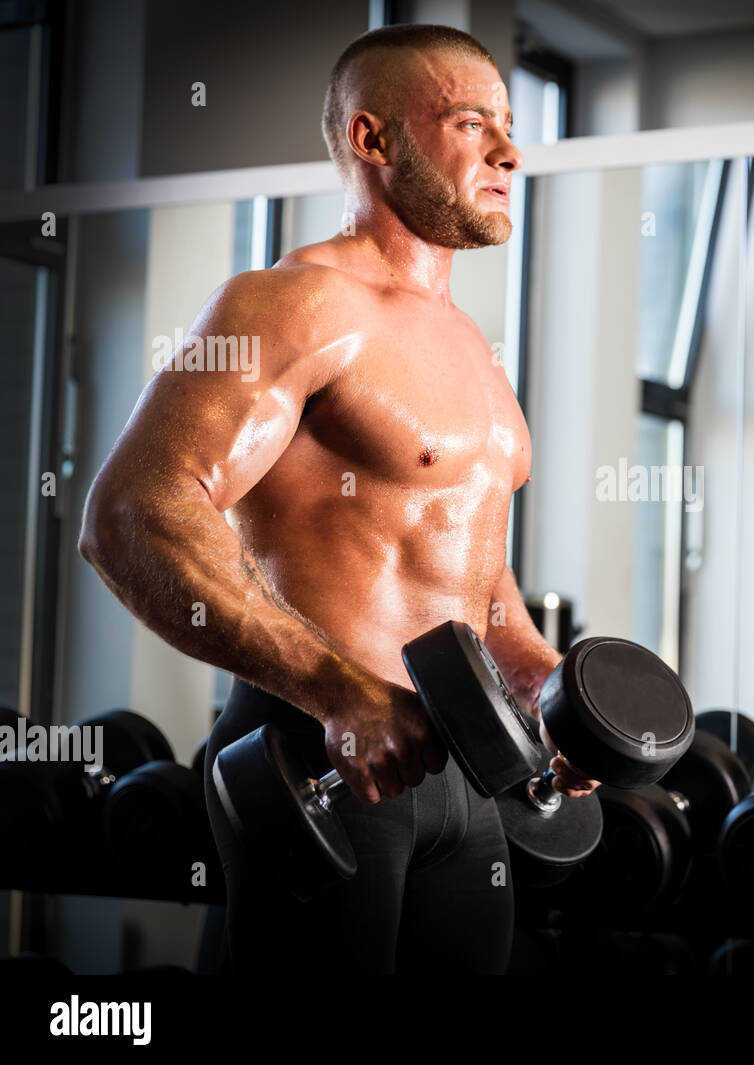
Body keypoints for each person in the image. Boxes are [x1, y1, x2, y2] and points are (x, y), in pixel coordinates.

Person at [78, 24, 584, 974]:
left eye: (510, 126)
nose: (511, 151)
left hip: (463, 782)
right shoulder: (293, 304)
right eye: (473, 123)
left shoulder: (471, 346)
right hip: (323, 757)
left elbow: (475, 580)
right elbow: (133, 512)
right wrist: (340, 693)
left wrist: (543, 687)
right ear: (373, 139)